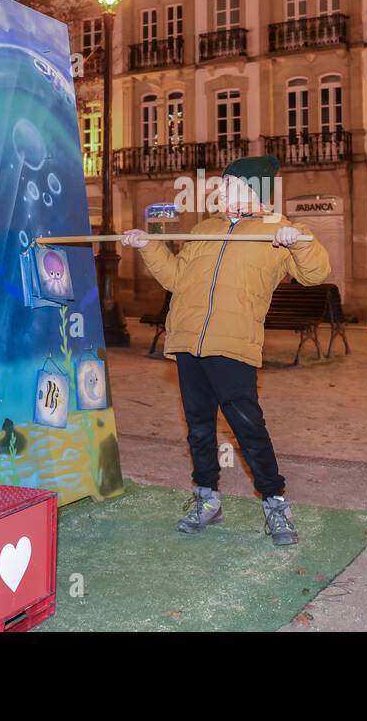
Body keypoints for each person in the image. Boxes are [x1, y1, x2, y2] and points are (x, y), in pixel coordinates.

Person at [120, 154, 330, 546]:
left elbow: (316, 272)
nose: (221, 189)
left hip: (232, 345)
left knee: (249, 429)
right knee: (198, 428)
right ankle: (206, 499)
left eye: (231, 183)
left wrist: (298, 241)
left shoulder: (277, 229)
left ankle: (275, 504)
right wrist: (149, 246)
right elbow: (178, 279)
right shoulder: (205, 228)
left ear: (256, 190)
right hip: (188, 342)